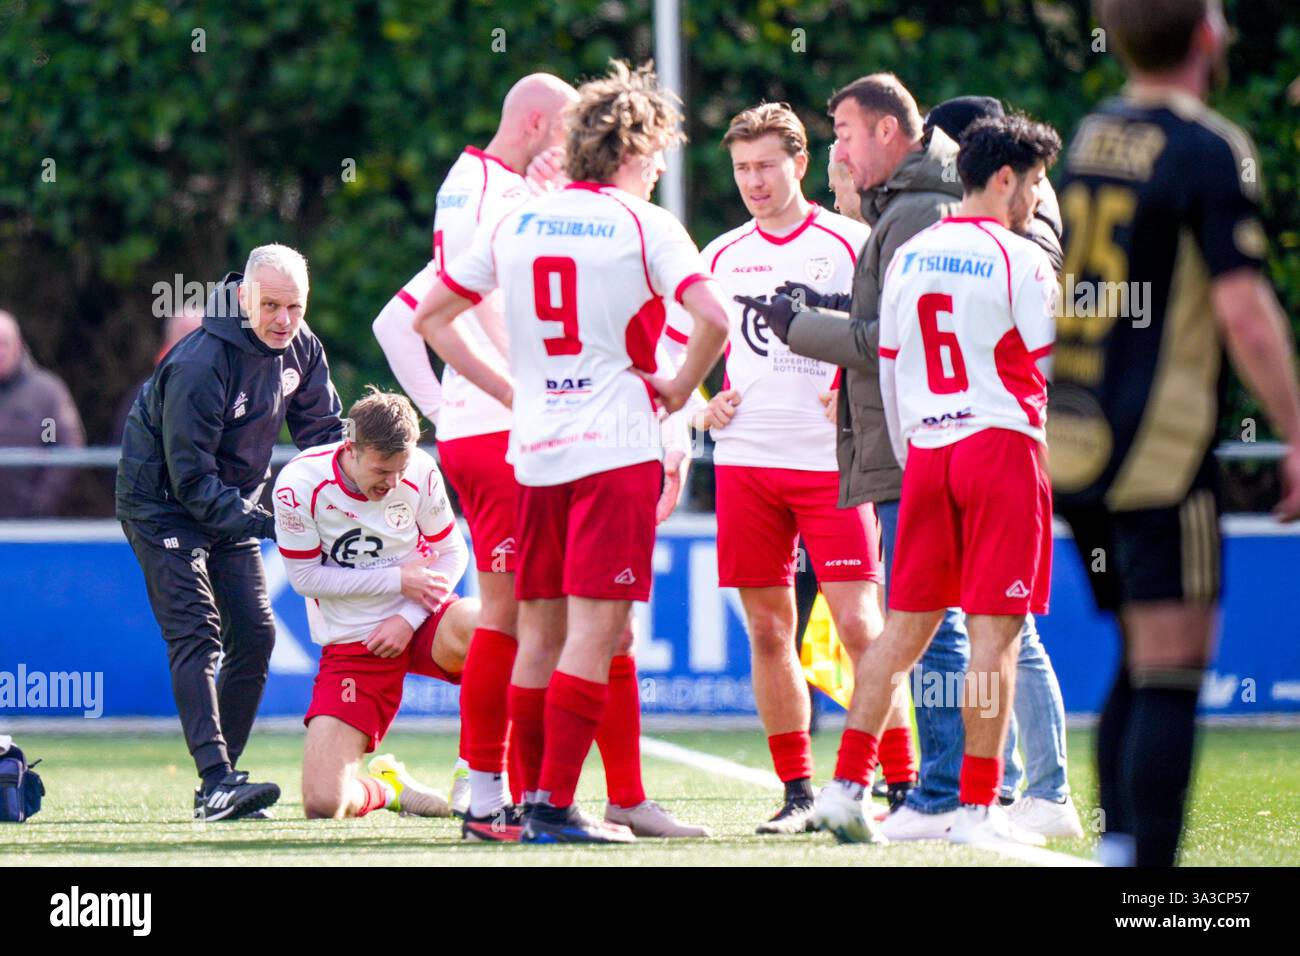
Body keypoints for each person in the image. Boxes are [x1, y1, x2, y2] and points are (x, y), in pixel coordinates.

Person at [414, 59, 730, 843]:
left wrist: (509, 387)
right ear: (634, 147)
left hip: (536, 450)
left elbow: (431, 316)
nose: (660, 168)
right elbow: (714, 318)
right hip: (614, 450)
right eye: (657, 152)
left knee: (536, 631)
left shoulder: (517, 220)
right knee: (597, 633)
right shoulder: (645, 224)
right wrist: (678, 387)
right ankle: (556, 805)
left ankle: (524, 803)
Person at [1052, 0, 1300, 866]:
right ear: (1206, 35)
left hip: (1077, 438)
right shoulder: (1207, 146)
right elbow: (1246, 311)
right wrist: (1297, 430)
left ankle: (1122, 853)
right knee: (1172, 667)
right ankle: (1152, 887)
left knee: (1140, 651)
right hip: (1157, 449)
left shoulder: (1091, 134)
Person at [812, 113, 1062, 846]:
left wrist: (919, 439)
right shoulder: (1022, 260)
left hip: (926, 453)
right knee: (996, 634)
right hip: (1000, 451)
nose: (1037, 202)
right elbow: (1052, 372)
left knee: (903, 631)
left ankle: (844, 786)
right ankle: (977, 809)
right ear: (1006, 179)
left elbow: (888, 369)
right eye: (1037, 185)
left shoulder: (912, 254)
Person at [745, 74, 975, 839]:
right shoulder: (906, 208)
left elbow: (889, 340)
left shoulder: (902, 216)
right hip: (836, 456)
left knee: (913, 625)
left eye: (841, 133)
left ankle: (932, 788)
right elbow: (888, 324)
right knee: (946, 625)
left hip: (902, 450)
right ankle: (948, 789)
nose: (841, 148)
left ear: (881, 131)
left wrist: (803, 327)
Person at [668, 102, 908, 834]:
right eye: (741, 168)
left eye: (766, 165)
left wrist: (855, 383)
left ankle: (897, 787)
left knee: (863, 629)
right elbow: (676, 344)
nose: (753, 181)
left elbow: (894, 334)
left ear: (800, 163)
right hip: (745, 467)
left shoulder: (850, 241)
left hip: (831, 467)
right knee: (768, 632)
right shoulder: (720, 254)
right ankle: (799, 793)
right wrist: (700, 405)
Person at [372, 71, 578, 830]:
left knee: (521, 617)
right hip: (503, 435)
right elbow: (468, 308)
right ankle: (494, 792)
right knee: (513, 620)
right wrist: (519, 392)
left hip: (480, 430)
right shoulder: (493, 195)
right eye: (564, 131)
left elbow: (400, 319)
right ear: (534, 122)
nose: (570, 148)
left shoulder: (473, 186)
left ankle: (503, 791)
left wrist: (442, 409)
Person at [116, 244, 344, 821]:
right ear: (243, 298)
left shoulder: (301, 347)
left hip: (229, 502)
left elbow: (324, 437)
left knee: (258, 635)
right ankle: (216, 780)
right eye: (270, 305)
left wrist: (352, 499)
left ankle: (219, 790)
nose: (284, 320)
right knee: (198, 634)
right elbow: (191, 481)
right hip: (161, 505)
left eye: (295, 307)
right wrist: (275, 525)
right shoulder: (201, 363)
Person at [918, 96, 1083, 838]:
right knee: (993, 629)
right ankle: (1005, 787)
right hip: (983, 437)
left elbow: (1045, 350)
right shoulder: (1001, 226)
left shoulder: (1017, 228)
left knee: (1004, 630)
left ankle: (1037, 790)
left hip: (984, 438)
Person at [274, 388, 472, 819]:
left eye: (400, 470)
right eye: (382, 470)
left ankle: (476, 771)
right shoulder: (298, 484)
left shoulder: (419, 469)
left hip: (423, 620)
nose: (393, 483)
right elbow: (304, 578)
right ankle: (386, 789)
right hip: (353, 642)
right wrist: (398, 578)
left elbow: (454, 553)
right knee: (323, 805)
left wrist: (407, 616)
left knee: (487, 627)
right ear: (351, 448)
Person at [0, 309, 86, 518]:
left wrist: (39, 503)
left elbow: (68, 447)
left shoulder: (46, 394)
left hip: (29, 526)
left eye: (4, 343)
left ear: (19, 345)